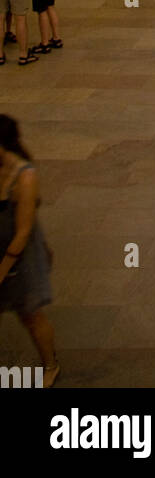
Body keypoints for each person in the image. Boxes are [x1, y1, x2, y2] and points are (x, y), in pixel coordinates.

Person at [0, 116, 59, 387]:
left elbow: (23, 231)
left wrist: (1, 271)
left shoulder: (25, 176)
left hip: (19, 258)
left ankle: (50, 364)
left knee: (30, 315)